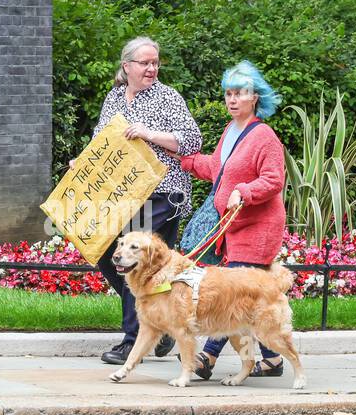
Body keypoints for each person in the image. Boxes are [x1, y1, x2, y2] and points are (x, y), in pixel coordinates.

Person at [80, 36, 202, 365]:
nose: (152, 68)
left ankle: (134, 339)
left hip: (164, 193)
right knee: (108, 252)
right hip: (123, 193)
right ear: (127, 66)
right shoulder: (115, 98)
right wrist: (84, 162)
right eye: (145, 63)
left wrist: (148, 133)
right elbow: (100, 140)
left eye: (155, 62)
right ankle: (159, 328)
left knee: (133, 256)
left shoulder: (167, 97)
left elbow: (191, 140)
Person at [178, 61, 288, 378]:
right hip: (235, 227)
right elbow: (218, 168)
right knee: (251, 298)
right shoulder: (231, 131)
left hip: (257, 228)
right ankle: (272, 359)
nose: (232, 99)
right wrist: (185, 162)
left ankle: (207, 358)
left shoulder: (264, 135)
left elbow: (273, 179)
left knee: (233, 294)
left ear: (255, 97)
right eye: (228, 93)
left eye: (239, 93)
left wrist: (245, 191)